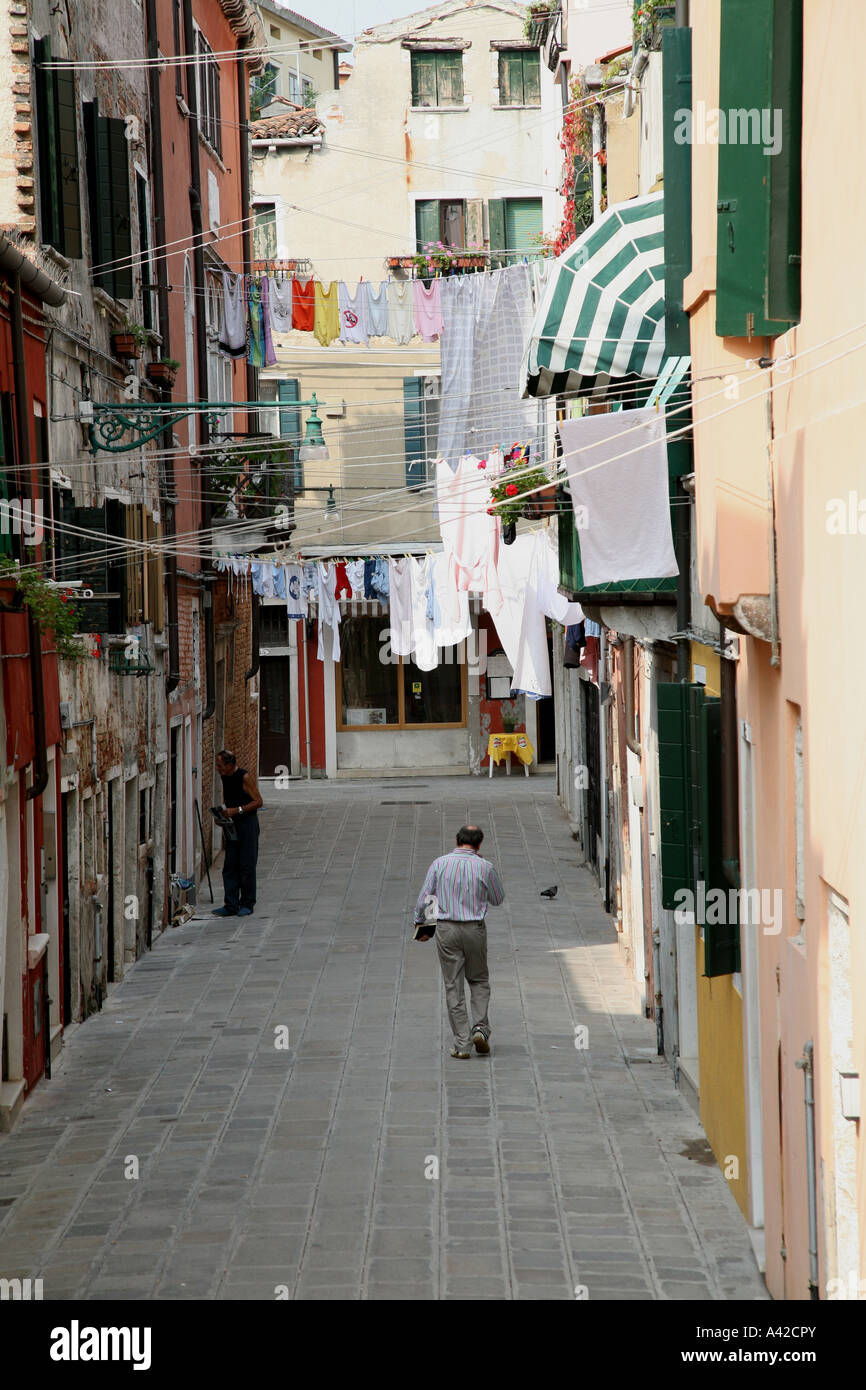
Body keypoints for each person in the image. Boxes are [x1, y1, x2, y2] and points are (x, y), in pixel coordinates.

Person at [413, 825, 504, 1059]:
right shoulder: (485, 867)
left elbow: (425, 897)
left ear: (457, 840)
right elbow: (497, 898)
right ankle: (481, 1029)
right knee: (479, 979)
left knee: (453, 985)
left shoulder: (440, 863)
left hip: (446, 929)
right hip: (474, 929)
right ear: (479, 844)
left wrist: (421, 923)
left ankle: (462, 1044)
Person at [213, 750, 263, 918]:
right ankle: (231, 904)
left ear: (229, 765)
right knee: (230, 865)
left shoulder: (244, 777)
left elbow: (258, 801)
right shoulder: (224, 777)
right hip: (233, 825)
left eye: (220, 766)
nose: (217, 769)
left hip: (248, 825)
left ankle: (247, 903)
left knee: (247, 865)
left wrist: (237, 810)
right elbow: (229, 800)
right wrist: (222, 817)